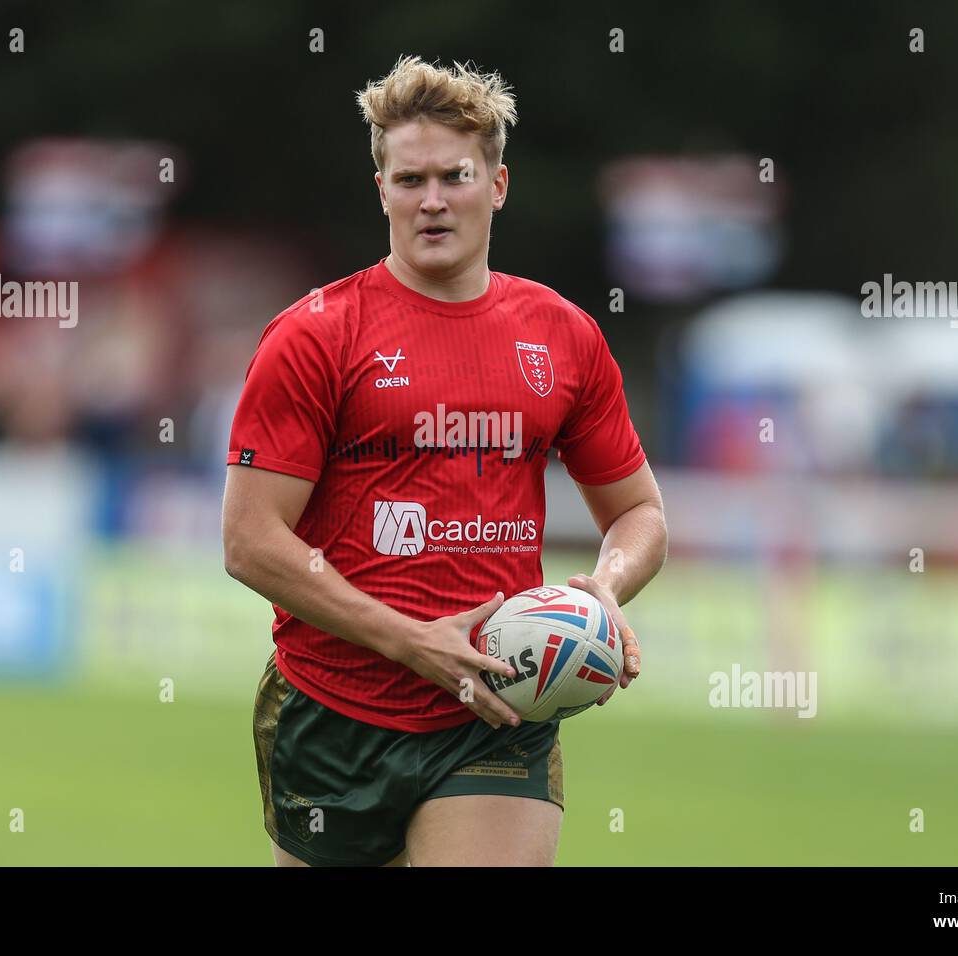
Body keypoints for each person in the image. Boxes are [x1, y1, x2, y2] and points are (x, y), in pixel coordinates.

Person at [222, 54, 667, 866]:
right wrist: (406, 640)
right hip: (332, 710)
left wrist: (603, 590)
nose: (432, 200)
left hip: (496, 714)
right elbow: (250, 540)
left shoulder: (563, 335)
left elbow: (639, 514)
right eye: (409, 178)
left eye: (455, 177)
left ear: (497, 184)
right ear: (381, 189)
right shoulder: (315, 334)